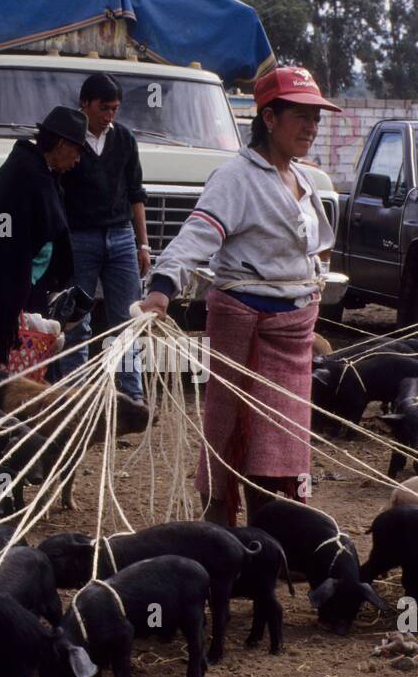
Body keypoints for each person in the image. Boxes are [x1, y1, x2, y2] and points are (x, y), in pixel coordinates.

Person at [135, 66, 339, 526]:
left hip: (292, 332)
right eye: (301, 116)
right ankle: (227, 539)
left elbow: (311, 249)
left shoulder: (303, 181)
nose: (311, 127)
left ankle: (280, 536)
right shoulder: (235, 178)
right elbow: (196, 236)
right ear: (268, 118)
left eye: (316, 118)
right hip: (245, 326)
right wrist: (162, 288)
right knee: (235, 435)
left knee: (284, 442)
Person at [0, 106, 85, 377]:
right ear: (61, 144)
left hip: (28, 285)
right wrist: (9, 306)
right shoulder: (22, 174)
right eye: (77, 150)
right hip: (4, 288)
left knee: (33, 366)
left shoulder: (46, 175)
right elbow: (5, 240)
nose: (78, 159)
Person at [55, 72, 150, 402]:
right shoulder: (69, 138)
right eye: (104, 108)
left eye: (115, 108)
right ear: (85, 104)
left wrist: (143, 243)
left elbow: (136, 193)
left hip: (121, 234)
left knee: (127, 318)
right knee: (76, 320)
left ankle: (131, 397)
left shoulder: (124, 139)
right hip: (79, 236)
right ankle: (74, 396)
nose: (110, 114)